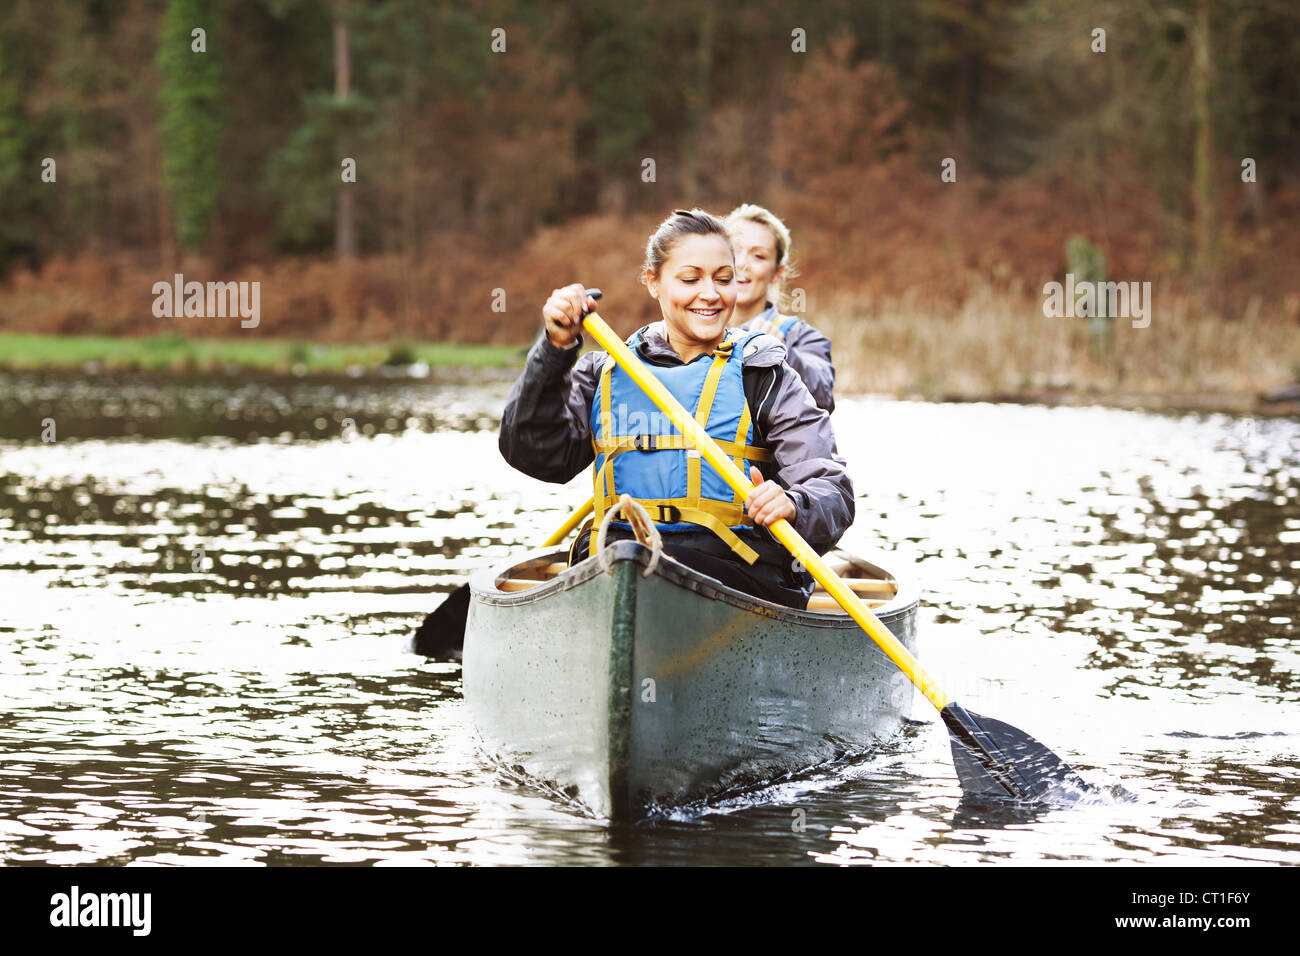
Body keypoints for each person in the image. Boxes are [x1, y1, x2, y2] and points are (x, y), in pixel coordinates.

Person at [498, 208, 854, 608]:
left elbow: (833, 490)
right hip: (617, 559)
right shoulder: (605, 371)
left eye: (724, 279)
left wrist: (794, 502)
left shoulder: (764, 375)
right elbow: (533, 453)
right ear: (653, 282)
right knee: (627, 558)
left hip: (733, 570)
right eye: (690, 279)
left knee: (656, 563)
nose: (711, 293)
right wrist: (555, 349)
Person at [726, 203, 836, 414]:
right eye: (733, 250)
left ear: (777, 273)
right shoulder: (693, 328)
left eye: (758, 256)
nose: (742, 264)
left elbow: (824, 398)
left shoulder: (800, 336)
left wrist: (782, 353)